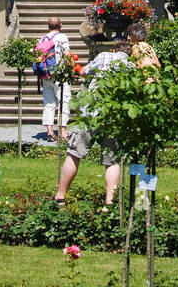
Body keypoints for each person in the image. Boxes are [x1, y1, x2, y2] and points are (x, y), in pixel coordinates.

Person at [53, 37, 130, 206]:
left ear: (114, 50)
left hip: (90, 113)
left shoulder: (103, 56)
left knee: (74, 153)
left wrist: (72, 61)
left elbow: (83, 72)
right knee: (112, 160)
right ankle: (109, 201)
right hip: (113, 116)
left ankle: (60, 195)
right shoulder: (131, 66)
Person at [37, 16, 71, 142]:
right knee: (64, 101)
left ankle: (50, 132)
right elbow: (67, 54)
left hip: (46, 75)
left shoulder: (43, 38)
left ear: (48, 26)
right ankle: (63, 131)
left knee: (49, 104)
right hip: (60, 75)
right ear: (60, 25)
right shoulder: (62, 37)